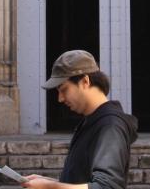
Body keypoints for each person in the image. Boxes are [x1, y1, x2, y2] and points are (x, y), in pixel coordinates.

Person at [22, 50, 138, 189]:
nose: (60, 98)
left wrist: (50, 186)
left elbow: (107, 186)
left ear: (85, 81)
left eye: (64, 89)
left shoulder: (110, 126)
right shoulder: (93, 121)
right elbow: (81, 181)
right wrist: (46, 181)